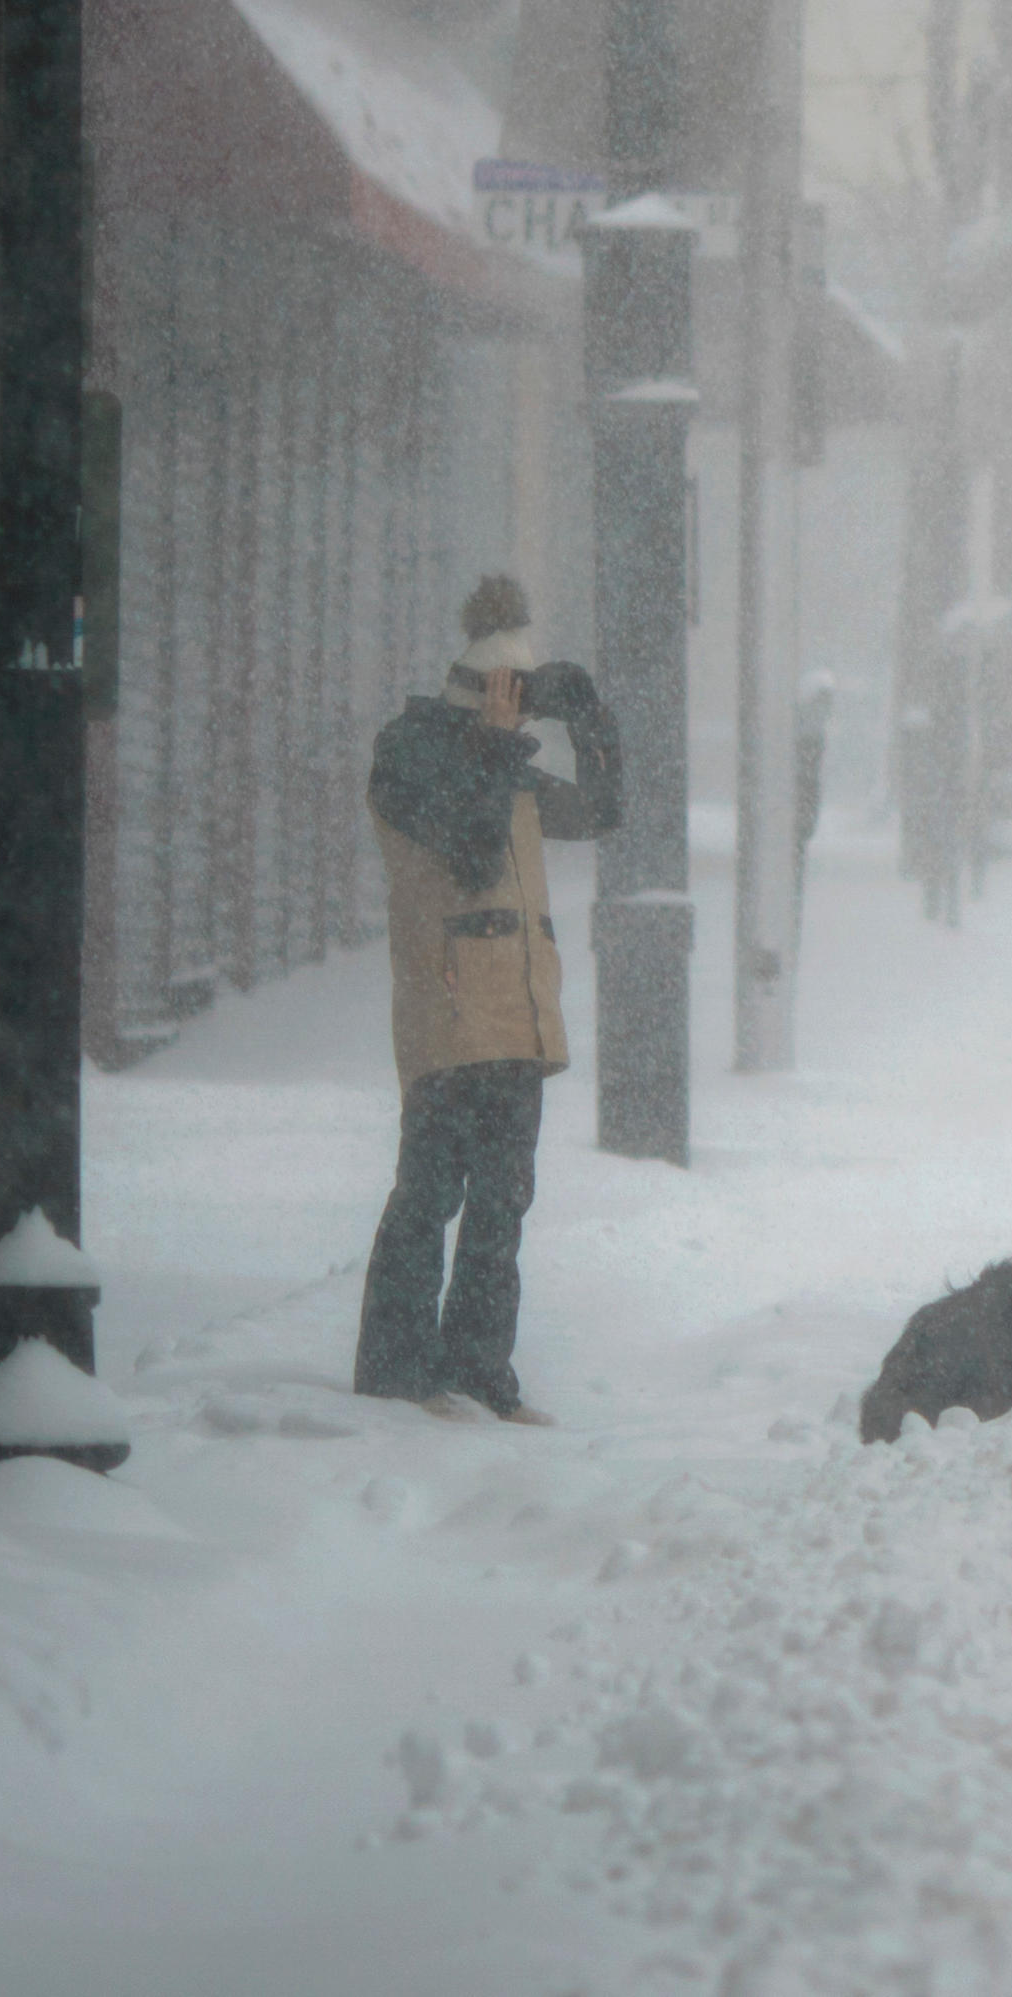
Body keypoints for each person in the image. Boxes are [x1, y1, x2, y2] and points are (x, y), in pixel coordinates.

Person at [356, 573, 619, 1423]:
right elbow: (469, 849)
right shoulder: (408, 754)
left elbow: (606, 810)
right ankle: (396, 1373)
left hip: (518, 1015)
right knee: (430, 1192)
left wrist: (586, 714)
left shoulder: (506, 769)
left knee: (502, 1204)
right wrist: (498, 744)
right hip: (447, 1009)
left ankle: (478, 1372)